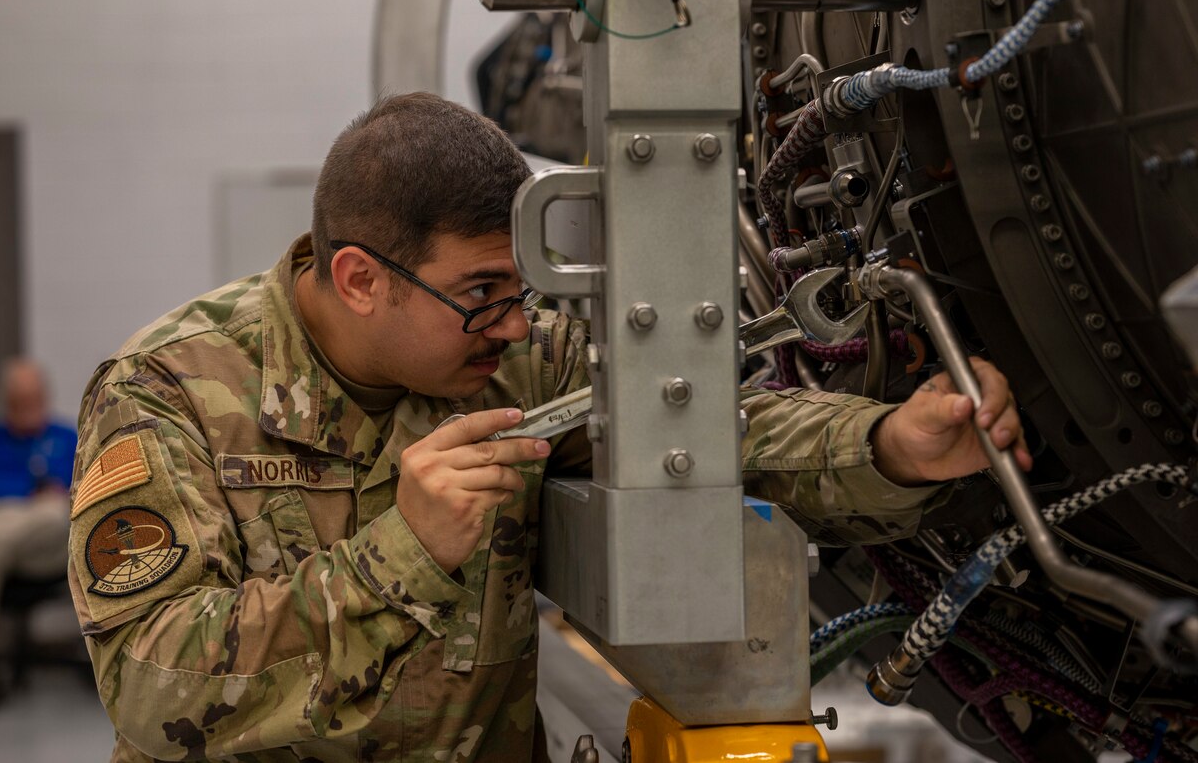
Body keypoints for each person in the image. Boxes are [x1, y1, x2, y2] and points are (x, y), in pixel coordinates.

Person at [67, 92, 1029, 763]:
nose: (517, 327)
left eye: (522, 292)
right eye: (480, 296)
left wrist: (885, 447)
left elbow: (694, 434)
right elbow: (154, 688)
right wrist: (401, 556)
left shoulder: (518, 364)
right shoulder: (170, 392)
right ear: (360, 278)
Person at [0, 358, 77, 606]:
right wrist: (30, 489)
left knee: (52, 512)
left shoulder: (66, 437)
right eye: (22, 400)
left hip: (53, 535)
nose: (30, 407)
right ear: (9, 402)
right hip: (9, 519)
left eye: (35, 398)